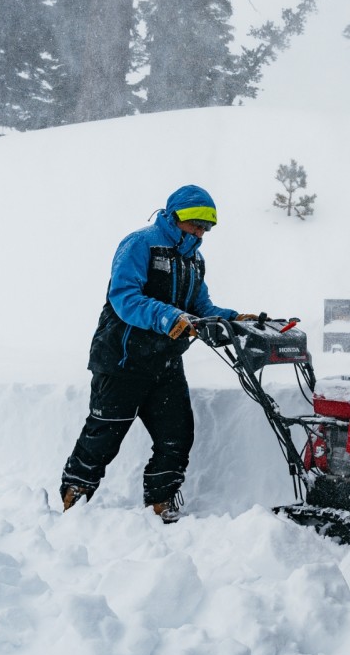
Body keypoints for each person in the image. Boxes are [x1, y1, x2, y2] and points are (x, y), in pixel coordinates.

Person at [59, 185, 252, 523]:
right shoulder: (140, 244)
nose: (201, 233)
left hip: (164, 362)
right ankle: (75, 495)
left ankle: (161, 501)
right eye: (196, 225)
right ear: (178, 217)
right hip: (122, 358)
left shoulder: (194, 259)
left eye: (207, 227)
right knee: (105, 432)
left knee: (177, 434)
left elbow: (200, 306)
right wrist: (168, 316)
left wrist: (231, 319)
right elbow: (124, 296)